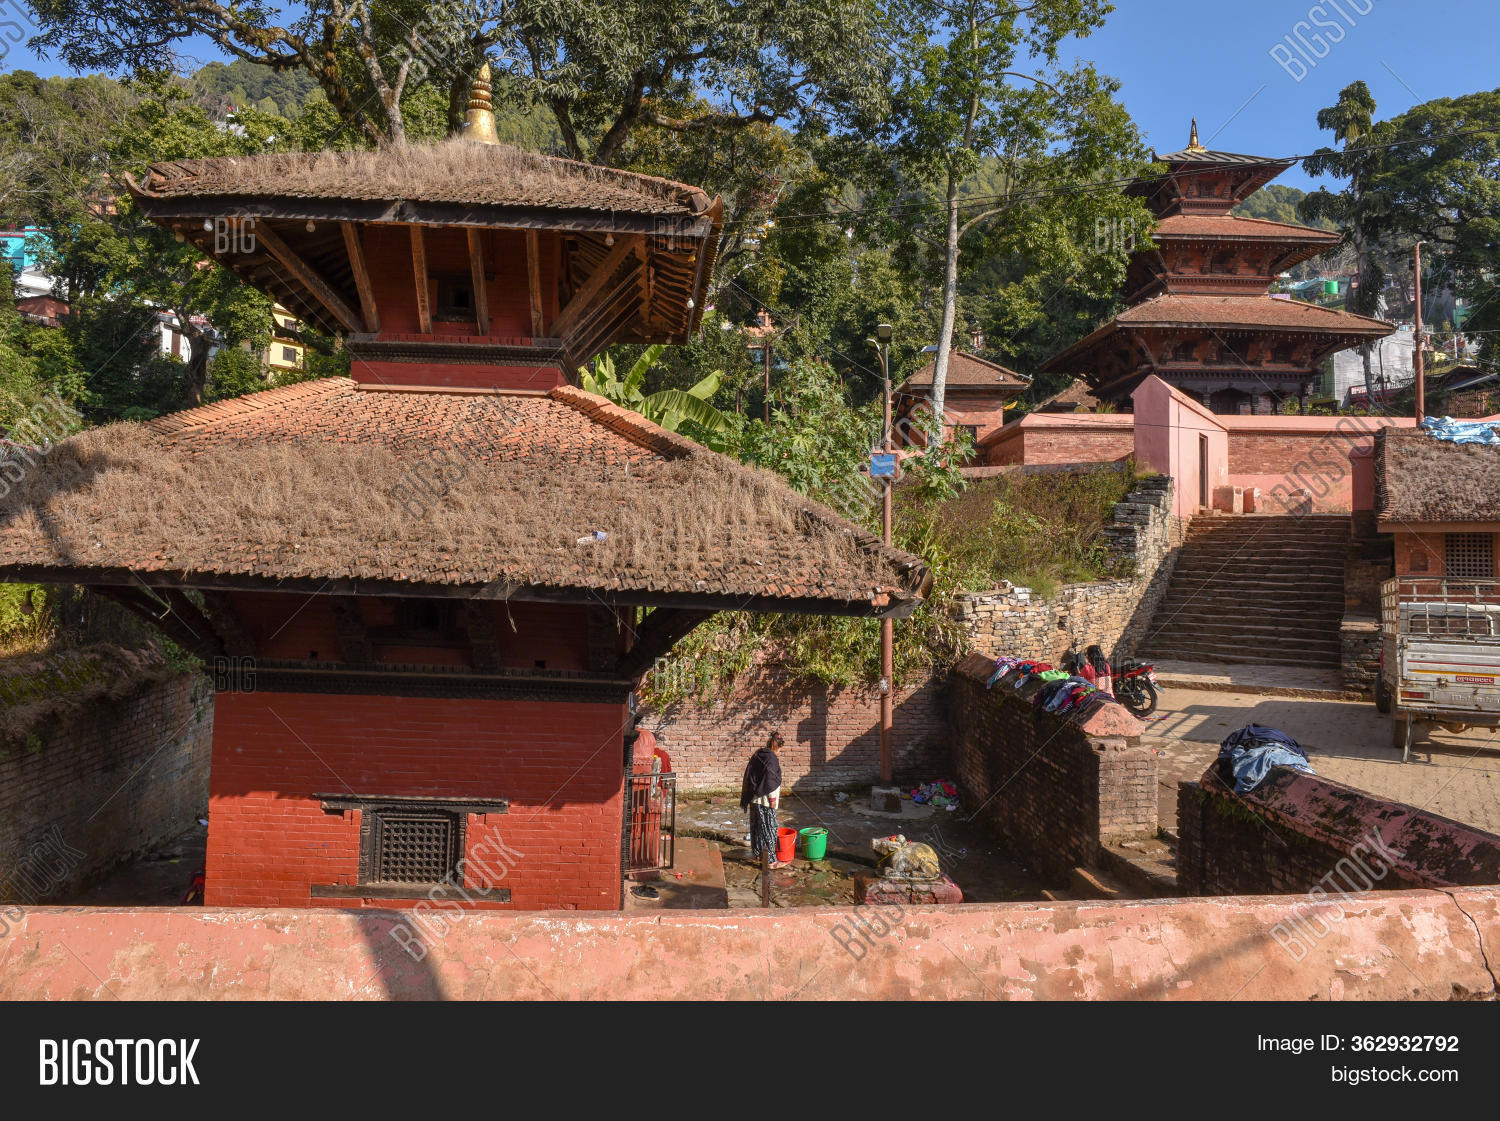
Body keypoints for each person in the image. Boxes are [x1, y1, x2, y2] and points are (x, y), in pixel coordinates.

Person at [739, 731, 786, 868]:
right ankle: (771, 862)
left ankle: (758, 855)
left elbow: (751, 774)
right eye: (781, 749)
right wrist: (772, 800)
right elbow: (771, 781)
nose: (780, 752)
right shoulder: (772, 759)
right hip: (766, 800)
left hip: (754, 798)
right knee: (769, 829)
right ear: (778, 746)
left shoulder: (759, 754)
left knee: (757, 828)